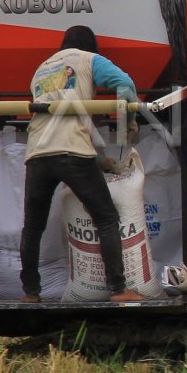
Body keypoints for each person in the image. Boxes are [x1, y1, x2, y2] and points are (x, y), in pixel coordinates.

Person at [18, 25, 145, 303]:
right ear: (90, 45)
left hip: (37, 155)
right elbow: (125, 84)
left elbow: (57, 122)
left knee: (32, 226)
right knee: (107, 218)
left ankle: (30, 293)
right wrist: (131, 119)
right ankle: (118, 289)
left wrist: (100, 162)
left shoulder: (42, 69)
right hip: (72, 153)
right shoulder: (88, 59)